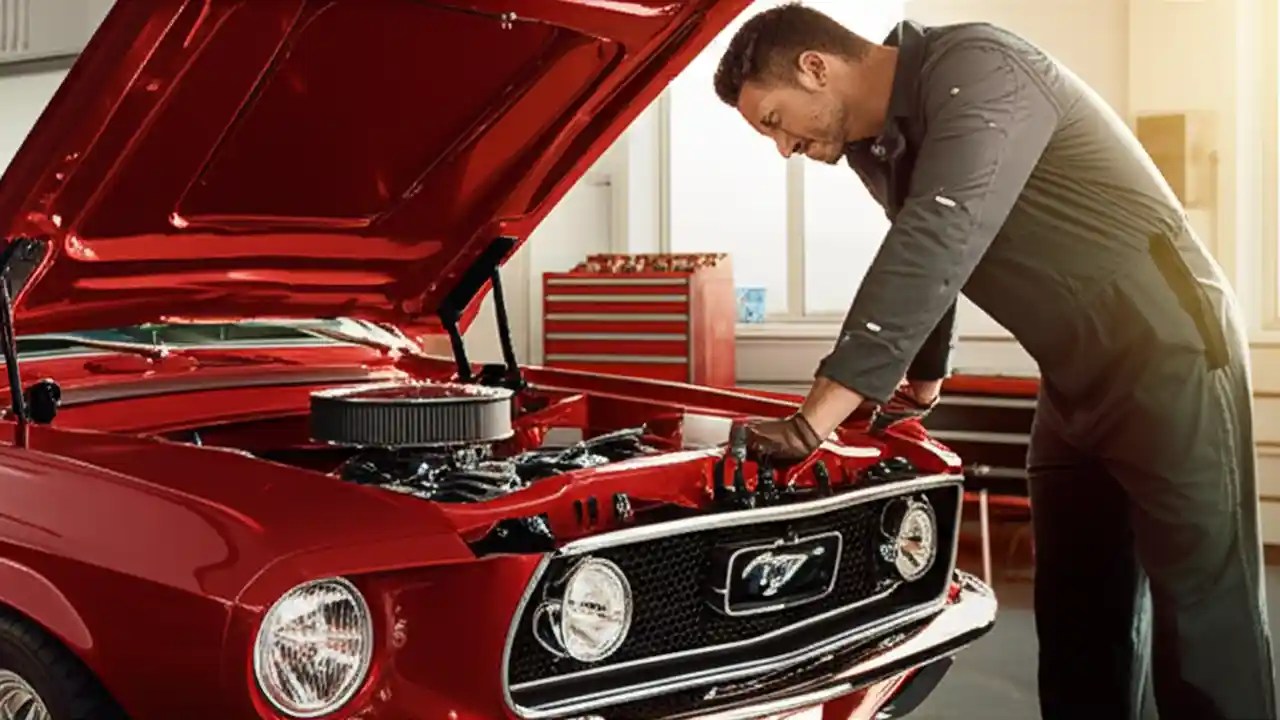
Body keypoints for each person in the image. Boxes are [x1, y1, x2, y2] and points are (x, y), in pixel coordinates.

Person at [711, 4, 1276, 720]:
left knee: (1202, 622)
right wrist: (925, 371)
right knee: (1077, 618)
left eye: (773, 121)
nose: (783, 147)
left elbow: (942, 228)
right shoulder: (877, 144)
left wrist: (815, 418)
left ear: (815, 68)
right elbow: (924, 246)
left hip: (1170, 349)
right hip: (1072, 377)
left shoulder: (979, 68)